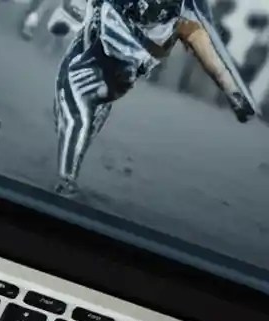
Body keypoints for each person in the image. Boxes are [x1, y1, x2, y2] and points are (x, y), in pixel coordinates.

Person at [53, 0, 259, 196]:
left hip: (109, 76)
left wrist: (235, 96)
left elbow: (212, 59)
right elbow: (98, 17)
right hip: (94, 58)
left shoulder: (185, 23)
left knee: (79, 115)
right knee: (73, 117)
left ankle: (67, 178)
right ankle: (68, 173)